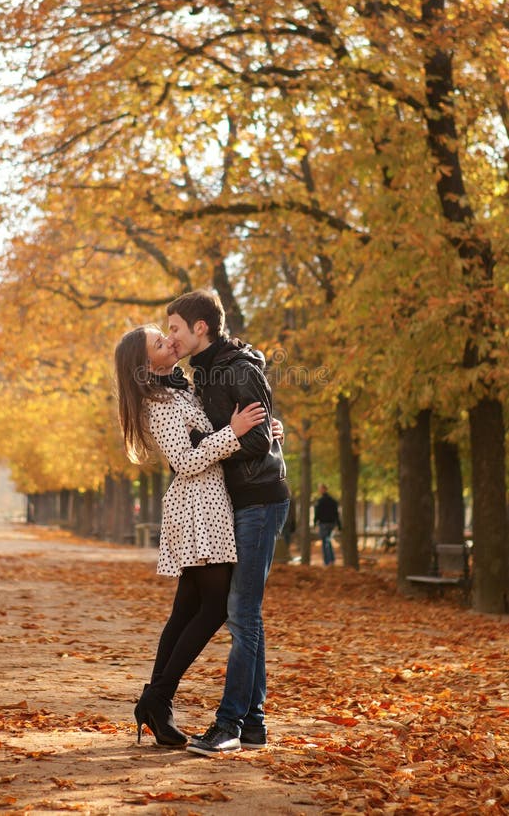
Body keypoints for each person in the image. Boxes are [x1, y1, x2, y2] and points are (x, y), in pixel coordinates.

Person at [114, 324, 267, 748]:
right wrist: (234, 433)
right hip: (198, 507)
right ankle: (157, 699)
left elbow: (213, 429)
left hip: (207, 502)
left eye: (167, 335)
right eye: (159, 343)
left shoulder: (180, 389)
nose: (169, 342)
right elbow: (184, 460)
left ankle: (155, 705)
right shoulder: (157, 403)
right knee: (215, 606)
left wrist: (257, 434)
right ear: (147, 365)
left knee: (186, 609)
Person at [166, 289, 290, 756]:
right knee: (245, 616)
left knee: (241, 614)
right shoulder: (206, 373)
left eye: (176, 328)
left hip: (261, 500)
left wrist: (223, 435)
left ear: (201, 328)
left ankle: (230, 723)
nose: (171, 337)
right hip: (240, 501)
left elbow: (258, 437)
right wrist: (215, 434)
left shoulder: (238, 367)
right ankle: (254, 723)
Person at [313, 484, 341, 566]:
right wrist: (339, 525)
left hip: (324, 524)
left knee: (326, 542)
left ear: (323, 489)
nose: (319, 490)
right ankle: (331, 559)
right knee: (328, 541)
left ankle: (327, 561)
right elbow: (337, 514)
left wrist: (315, 522)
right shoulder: (333, 501)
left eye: (320, 489)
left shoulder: (320, 501)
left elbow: (317, 513)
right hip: (331, 524)